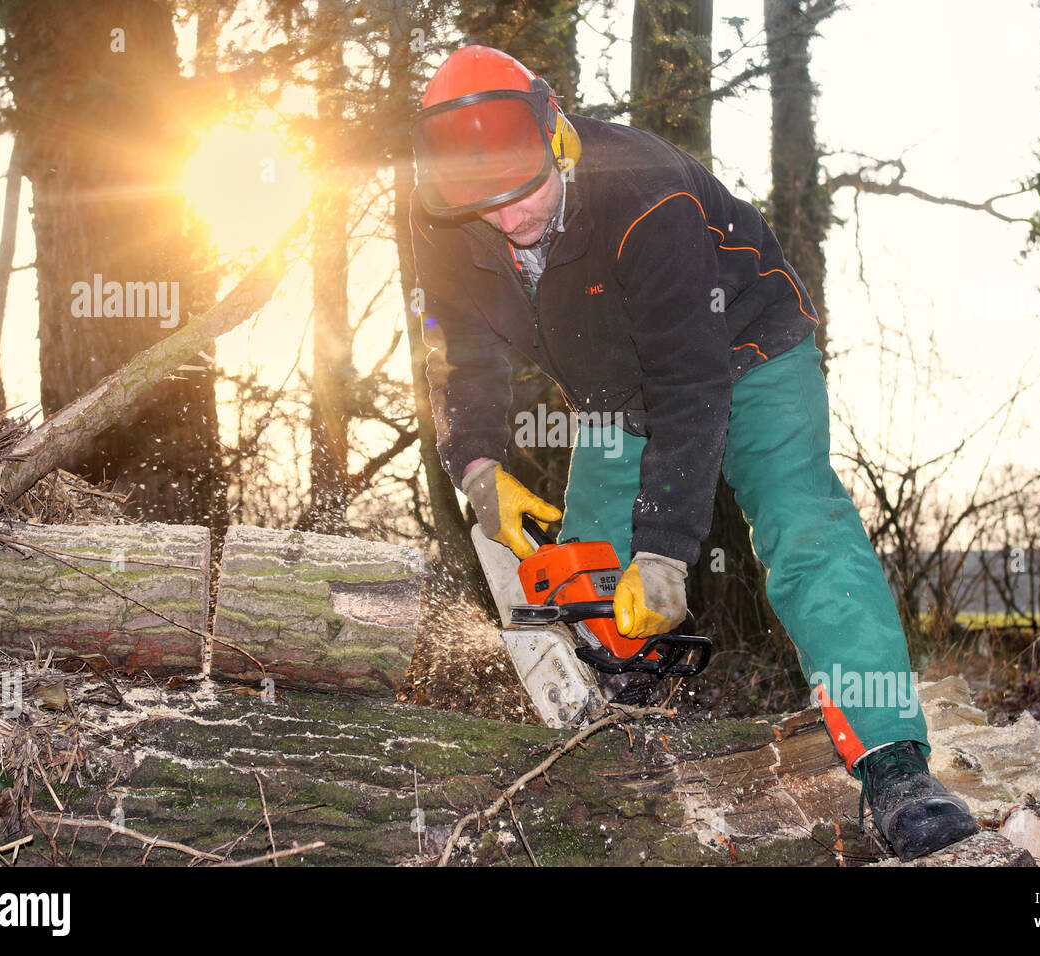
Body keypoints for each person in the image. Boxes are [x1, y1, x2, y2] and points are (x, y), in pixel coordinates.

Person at [408, 44, 977, 861]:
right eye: (482, 205)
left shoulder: (645, 192)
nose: (506, 220)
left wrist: (668, 551)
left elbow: (691, 380)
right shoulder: (442, 216)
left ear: (556, 135)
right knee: (586, 565)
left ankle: (894, 763)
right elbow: (458, 351)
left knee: (799, 525)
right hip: (612, 388)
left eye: (522, 194)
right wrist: (475, 462)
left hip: (746, 354)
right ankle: (621, 714)